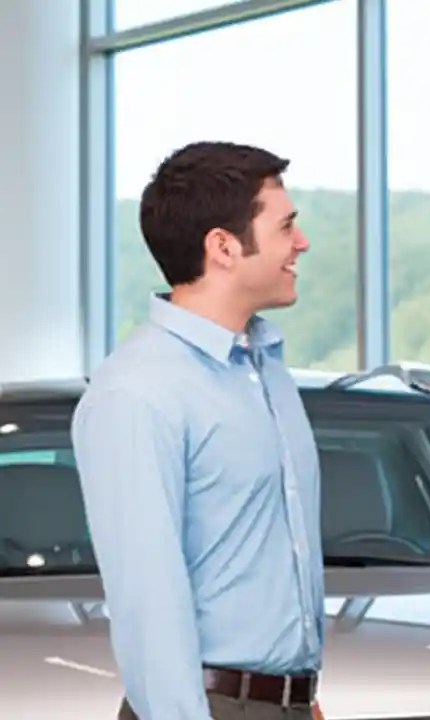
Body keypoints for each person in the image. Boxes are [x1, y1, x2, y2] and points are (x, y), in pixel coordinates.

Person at [71, 141, 323, 720]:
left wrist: (299, 699)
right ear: (224, 247)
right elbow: (146, 602)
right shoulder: (137, 391)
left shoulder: (267, 372)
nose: (301, 243)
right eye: (287, 226)